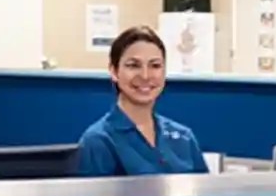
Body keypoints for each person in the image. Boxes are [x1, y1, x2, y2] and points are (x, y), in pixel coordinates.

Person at [76, 25, 208, 177]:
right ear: (114, 71)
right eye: (133, 65)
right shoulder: (99, 141)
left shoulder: (184, 138)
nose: (145, 76)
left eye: (155, 66)